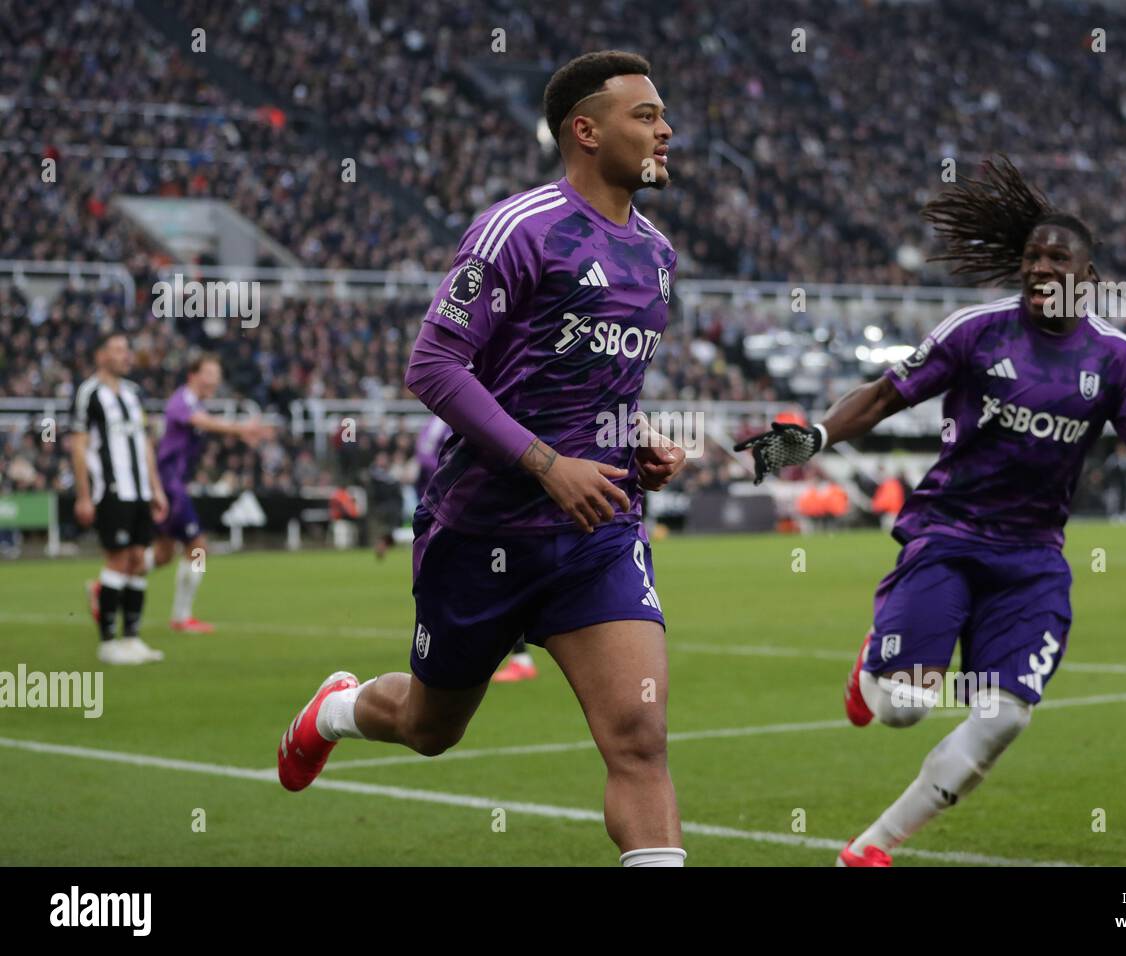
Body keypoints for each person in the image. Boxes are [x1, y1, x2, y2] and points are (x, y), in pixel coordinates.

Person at [737, 157, 1126, 867]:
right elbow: (884, 396)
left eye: (1056, 257)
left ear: (1086, 278)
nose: (1039, 267)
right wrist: (813, 437)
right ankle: (868, 669)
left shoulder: (1117, 360)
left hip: (1032, 558)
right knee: (904, 708)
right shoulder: (977, 331)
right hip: (947, 535)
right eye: (1032, 256)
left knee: (1002, 717)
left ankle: (871, 849)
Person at [276, 51, 690, 866]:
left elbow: (595, 384)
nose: (664, 129)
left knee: (638, 739)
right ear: (585, 129)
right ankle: (335, 710)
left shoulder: (658, 255)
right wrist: (547, 464)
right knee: (431, 729)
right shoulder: (521, 228)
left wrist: (631, 442)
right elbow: (432, 367)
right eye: (644, 116)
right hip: (484, 528)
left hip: (597, 533)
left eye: (661, 114)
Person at [143, 354, 273, 632]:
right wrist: (241, 428)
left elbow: (205, 423)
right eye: (209, 372)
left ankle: (110, 583)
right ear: (193, 374)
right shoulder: (183, 400)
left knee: (164, 553)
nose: (215, 379)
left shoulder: (194, 402)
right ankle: (181, 617)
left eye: (217, 373)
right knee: (198, 547)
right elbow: (203, 422)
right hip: (169, 484)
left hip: (173, 483)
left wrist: (240, 434)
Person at [68, 331, 169, 665]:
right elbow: (79, 446)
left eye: (128, 349)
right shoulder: (89, 394)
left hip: (139, 489)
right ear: (101, 356)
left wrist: (155, 487)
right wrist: (84, 496)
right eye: (118, 349)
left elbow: (144, 444)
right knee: (117, 560)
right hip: (111, 489)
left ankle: (132, 638)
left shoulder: (133, 392)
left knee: (139, 561)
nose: (126, 355)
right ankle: (108, 642)